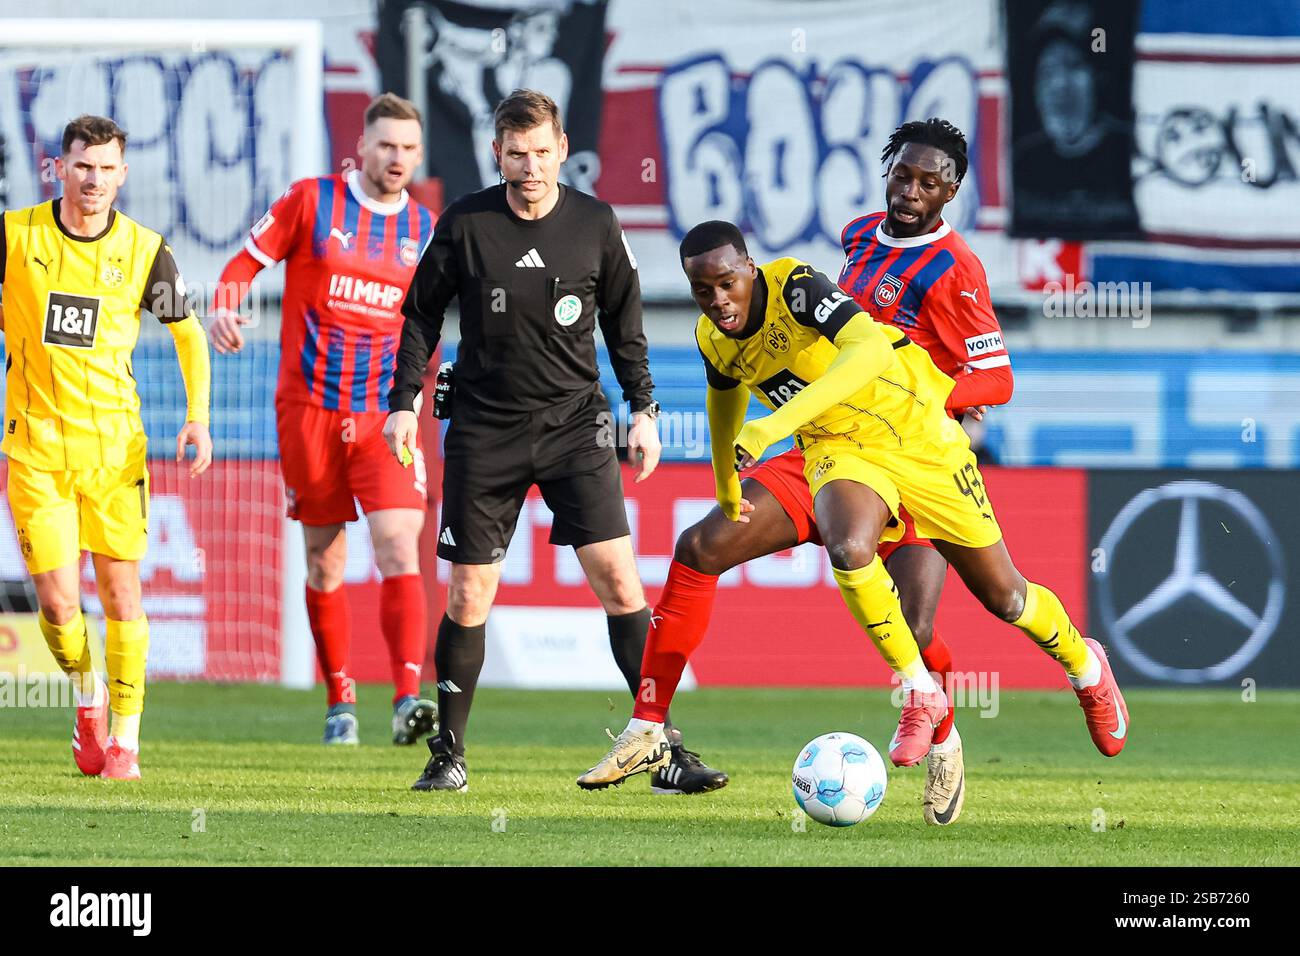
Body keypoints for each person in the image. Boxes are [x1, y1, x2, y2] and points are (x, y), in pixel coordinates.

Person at [578, 219, 1130, 799]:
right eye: (702, 291)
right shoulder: (714, 335)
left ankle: (1083, 668)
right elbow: (724, 397)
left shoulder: (797, 286)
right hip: (833, 450)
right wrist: (725, 483)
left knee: (1003, 598)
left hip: (915, 437)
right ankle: (651, 725)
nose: (717, 301)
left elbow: (866, 351)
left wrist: (772, 427)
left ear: (748, 268)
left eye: (726, 284)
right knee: (724, 546)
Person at [578, 120, 1013, 827]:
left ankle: (945, 733)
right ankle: (648, 728)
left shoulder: (956, 269)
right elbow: (826, 353)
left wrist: (923, 394)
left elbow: (993, 379)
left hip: (909, 456)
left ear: (951, 191)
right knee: (700, 546)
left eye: (927, 182)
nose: (909, 191)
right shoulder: (859, 237)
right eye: (901, 175)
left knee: (916, 622)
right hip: (823, 447)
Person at [385, 88, 726, 794]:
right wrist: (403, 404)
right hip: (484, 429)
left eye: (542, 152)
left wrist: (644, 410)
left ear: (563, 148)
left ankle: (664, 751)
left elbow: (625, 326)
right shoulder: (465, 224)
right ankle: (448, 753)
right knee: (469, 594)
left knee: (621, 582)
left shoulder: (597, 224)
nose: (531, 167)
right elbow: (419, 316)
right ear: (497, 153)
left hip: (577, 428)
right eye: (517, 154)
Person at [209, 94, 438, 746]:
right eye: (385, 145)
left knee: (399, 542)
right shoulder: (311, 201)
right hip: (307, 408)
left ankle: (405, 697)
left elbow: (430, 321)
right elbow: (243, 263)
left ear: (418, 157)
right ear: (361, 148)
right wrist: (226, 305)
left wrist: (420, 394)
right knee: (325, 562)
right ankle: (340, 698)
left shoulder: (425, 229)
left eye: (407, 149)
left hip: (383, 417)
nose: (396, 158)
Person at [0, 115, 213, 780]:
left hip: (117, 456)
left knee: (122, 598)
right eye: (81, 165)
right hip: (36, 453)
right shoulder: (15, 237)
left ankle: (126, 739)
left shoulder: (146, 250)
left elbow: (189, 334)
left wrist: (197, 418)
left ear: (123, 174)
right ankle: (87, 696)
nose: (93, 180)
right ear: (58, 168)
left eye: (105, 168)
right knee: (61, 607)